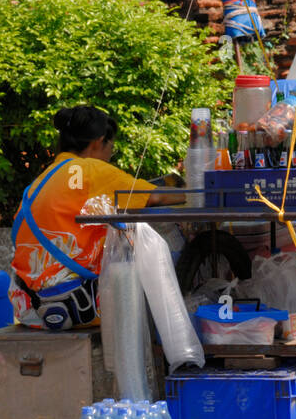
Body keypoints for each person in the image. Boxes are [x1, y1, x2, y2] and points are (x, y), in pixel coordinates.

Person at [10, 105, 180, 331]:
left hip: (29, 308)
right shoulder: (89, 170)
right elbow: (156, 198)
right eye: (111, 147)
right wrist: (192, 186)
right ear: (98, 142)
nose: (110, 155)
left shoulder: (42, 179)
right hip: (75, 306)